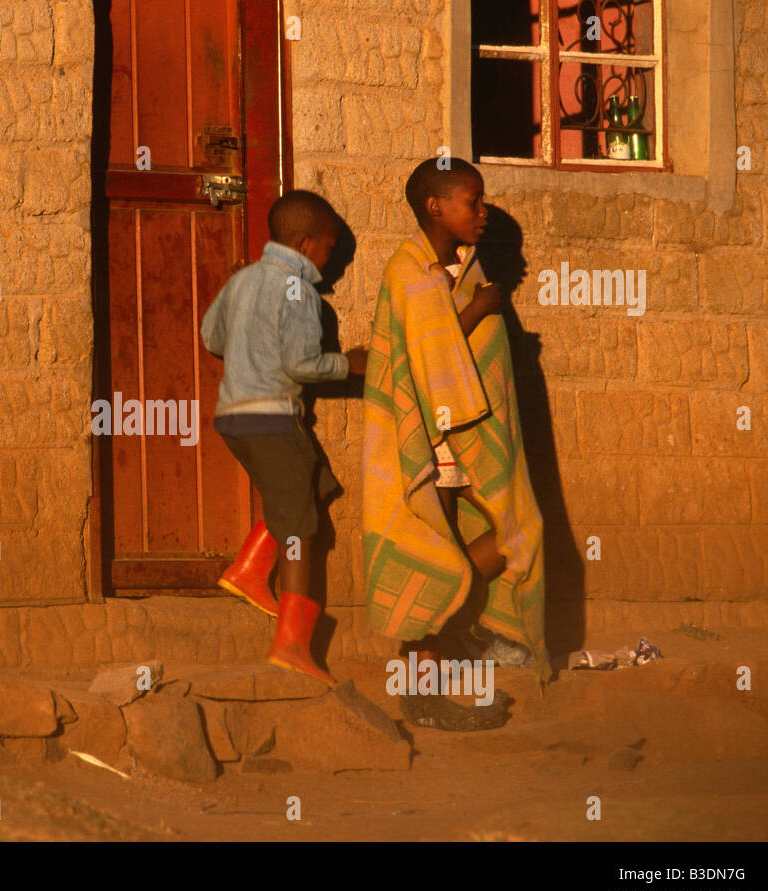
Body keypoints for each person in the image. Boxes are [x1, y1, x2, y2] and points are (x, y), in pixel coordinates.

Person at [360, 156, 549, 729]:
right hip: (430, 436)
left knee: (519, 530)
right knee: (439, 555)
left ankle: (467, 631)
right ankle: (423, 688)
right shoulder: (410, 270)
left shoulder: (463, 267)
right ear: (435, 206)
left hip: (468, 434)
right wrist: (481, 309)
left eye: (484, 200)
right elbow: (426, 353)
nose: (482, 212)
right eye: (473, 201)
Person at [201, 190, 366, 683]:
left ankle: (250, 571)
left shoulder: (242, 280)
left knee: (314, 485)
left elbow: (212, 337)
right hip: (273, 417)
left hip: (234, 417)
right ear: (305, 242)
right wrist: (349, 364)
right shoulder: (300, 292)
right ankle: (291, 644)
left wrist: (250, 342)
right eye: (330, 249)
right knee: (300, 529)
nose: (331, 261)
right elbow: (301, 365)